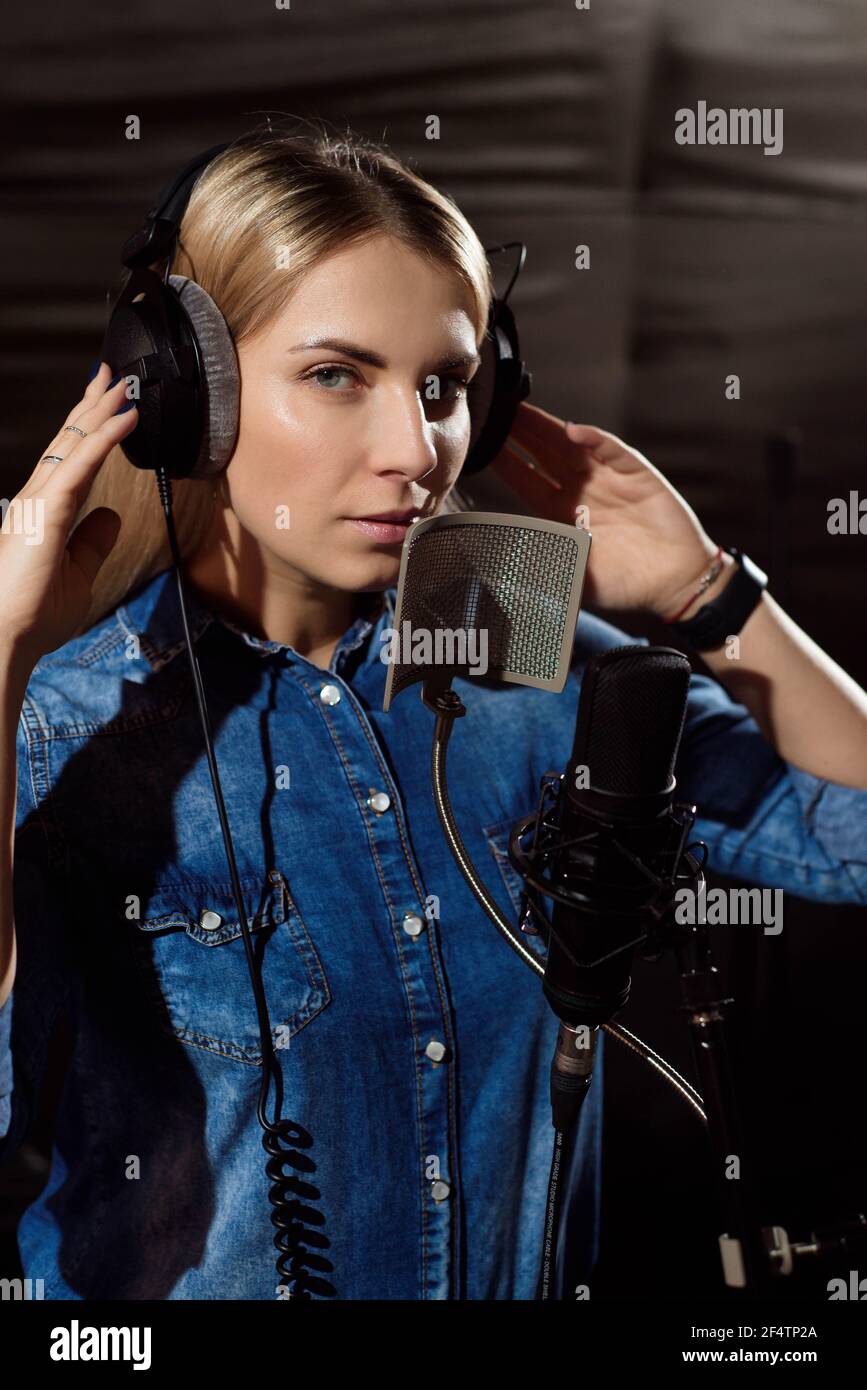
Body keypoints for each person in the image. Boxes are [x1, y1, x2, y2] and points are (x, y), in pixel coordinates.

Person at [1, 125, 865, 1302]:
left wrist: (712, 594)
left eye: (446, 388)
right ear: (185, 390)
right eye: (337, 374)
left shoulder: (519, 642)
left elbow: (849, 835)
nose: (418, 451)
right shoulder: (55, 714)